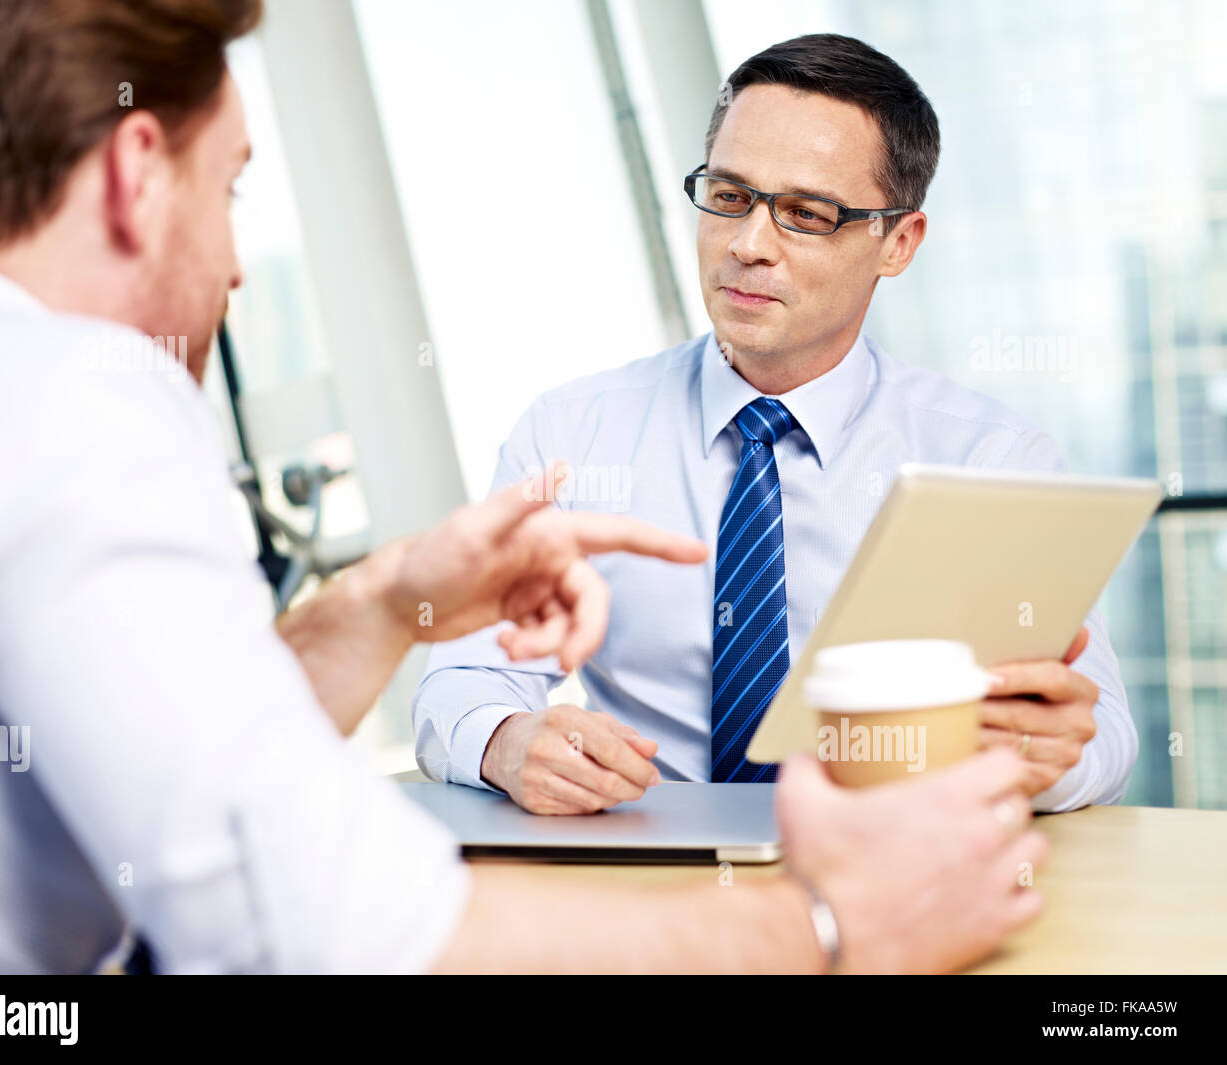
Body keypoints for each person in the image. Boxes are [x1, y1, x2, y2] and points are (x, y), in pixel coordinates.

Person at [0, 0, 1045, 974]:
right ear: (133, 173)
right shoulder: (67, 402)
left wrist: (379, 603)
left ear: (897, 242)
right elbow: (304, 928)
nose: (231, 263)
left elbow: (181, 759)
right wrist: (827, 931)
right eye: (231, 188)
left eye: (804, 213)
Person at [414, 33, 1135, 816]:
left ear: (897, 241)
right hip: (649, 888)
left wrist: (1044, 754)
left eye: (806, 214)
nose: (749, 245)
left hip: (899, 872)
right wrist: (508, 742)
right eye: (729, 197)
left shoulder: (993, 461)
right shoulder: (572, 434)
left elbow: (1104, 736)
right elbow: (461, 678)